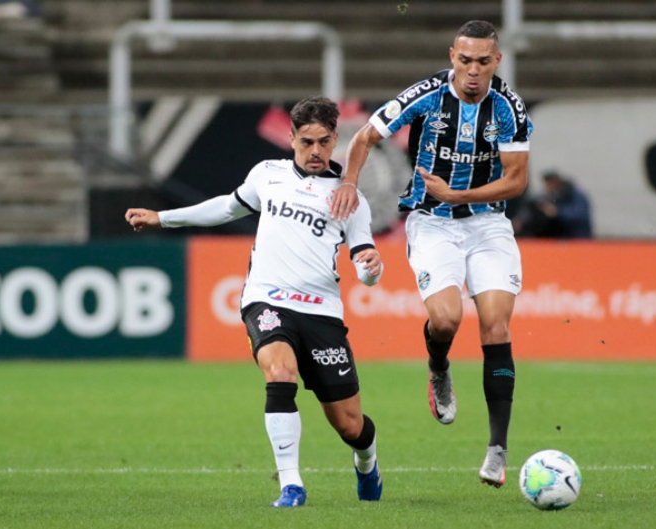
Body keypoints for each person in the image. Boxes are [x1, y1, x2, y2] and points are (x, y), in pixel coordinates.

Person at [125, 97, 384, 508]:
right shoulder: (267, 174)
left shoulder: (349, 198)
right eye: (306, 142)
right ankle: (291, 485)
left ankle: (367, 462)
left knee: (350, 426)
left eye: (323, 141)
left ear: (336, 139)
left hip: (321, 311)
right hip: (267, 298)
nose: (315, 150)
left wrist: (371, 269)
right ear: (291, 138)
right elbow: (226, 209)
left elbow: (365, 264)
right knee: (279, 373)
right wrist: (163, 217)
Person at [330, 20, 532, 488]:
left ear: (497, 61)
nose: (473, 70)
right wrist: (349, 184)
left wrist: (462, 196)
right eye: (465, 60)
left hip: (487, 223)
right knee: (444, 321)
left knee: (496, 325)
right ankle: (438, 366)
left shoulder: (508, 107)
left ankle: (497, 451)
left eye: (483, 61)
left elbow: (517, 180)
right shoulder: (425, 95)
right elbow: (364, 137)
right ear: (452, 57)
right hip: (432, 222)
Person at [512, 169, 592, 238]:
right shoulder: (550, 196)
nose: (548, 187)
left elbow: (580, 214)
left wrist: (557, 212)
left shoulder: (575, 195)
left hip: (578, 238)